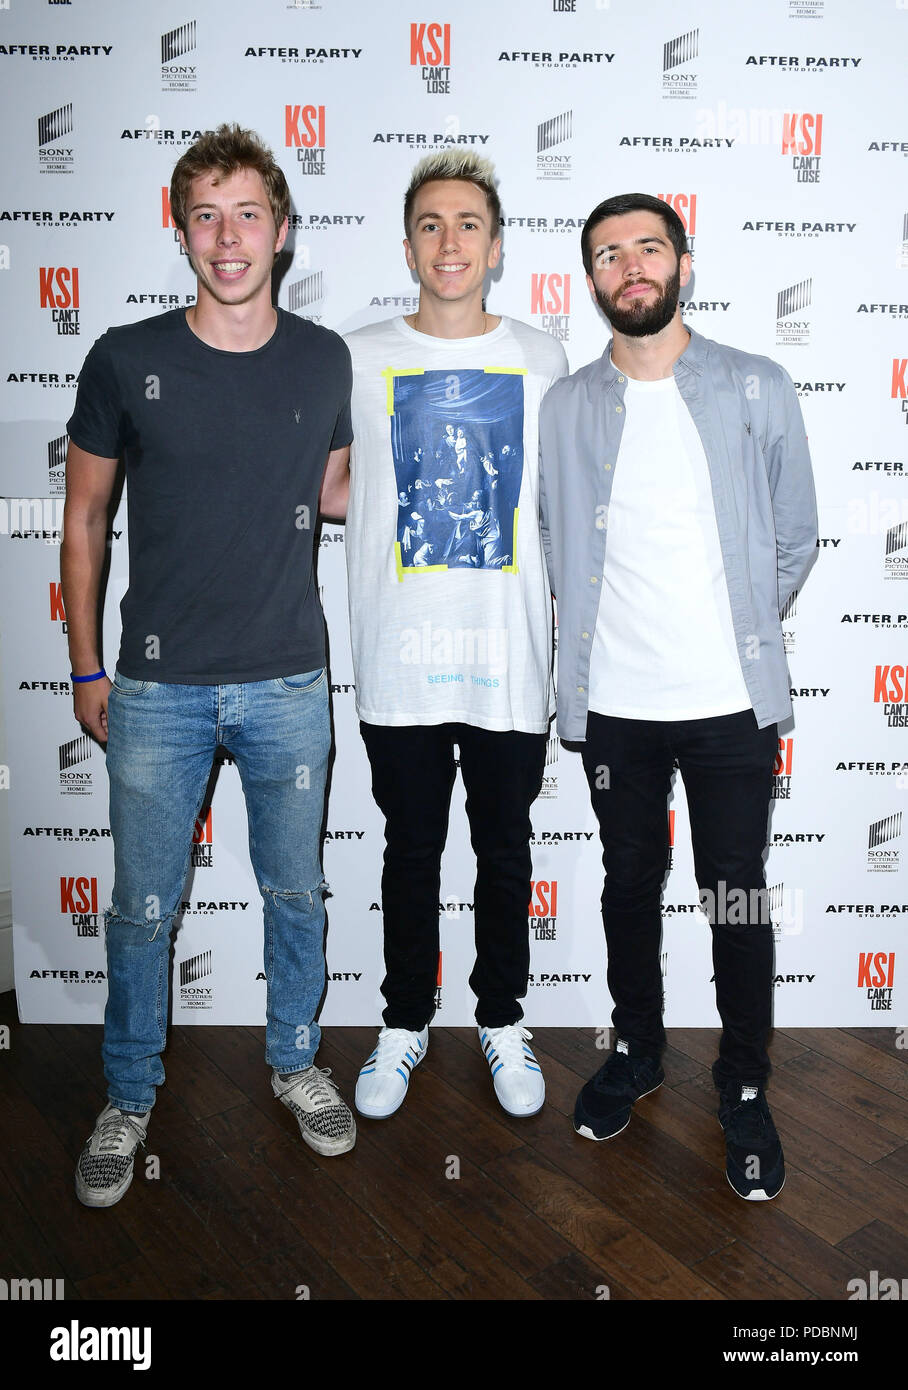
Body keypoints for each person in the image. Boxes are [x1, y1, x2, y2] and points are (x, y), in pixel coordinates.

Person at [62, 123, 356, 1208]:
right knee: (142, 906)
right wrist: (87, 669)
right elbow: (84, 519)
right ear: (178, 228)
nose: (227, 238)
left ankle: (293, 1062)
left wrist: (453, 474)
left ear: (281, 232)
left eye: (247, 215)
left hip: (286, 677)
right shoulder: (124, 357)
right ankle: (128, 1092)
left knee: (292, 889)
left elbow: (330, 490)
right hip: (154, 687)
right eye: (206, 215)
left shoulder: (326, 355)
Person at [538, 192, 817, 1200]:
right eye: (607, 254)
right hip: (615, 704)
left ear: (682, 263)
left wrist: (738, 629)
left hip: (726, 707)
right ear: (594, 279)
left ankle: (743, 1082)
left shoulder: (754, 384)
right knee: (625, 884)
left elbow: (794, 535)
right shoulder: (565, 405)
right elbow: (549, 542)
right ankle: (638, 1050)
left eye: (646, 247)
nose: (629, 267)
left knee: (734, 893)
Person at [319, 152, 567, 1119]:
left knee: (506, 850)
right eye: (430, 223)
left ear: (496, 247)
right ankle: (403, 1023)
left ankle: (502, 1020)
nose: (449, 241)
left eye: (468, 223)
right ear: (409, 243)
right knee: (409, 848)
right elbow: (332, 488)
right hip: (399, 660)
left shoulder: (543, 357)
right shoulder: (358, 354)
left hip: (509, 661)